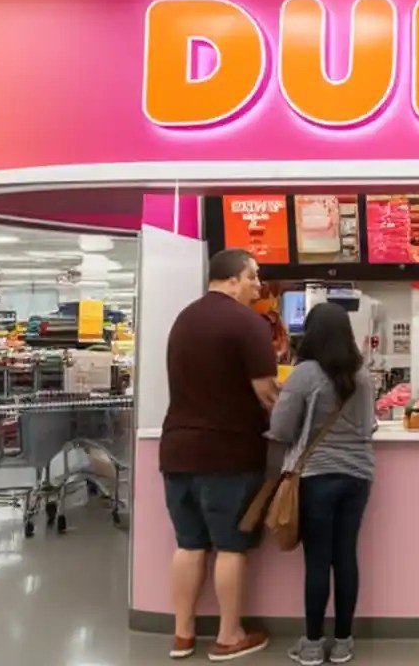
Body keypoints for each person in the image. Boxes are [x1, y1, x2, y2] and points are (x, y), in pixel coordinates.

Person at [159, 248, 279, 662]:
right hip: (228, 451)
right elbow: (266, 392)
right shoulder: (248, 323)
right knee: (230, 546)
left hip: (176, 450)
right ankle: (229, 635)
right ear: (233, 278)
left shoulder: (183, 319)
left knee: (188, 544)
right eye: (253, 277)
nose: (258, 285)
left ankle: (182, 634)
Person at [267, 302, 377, 666]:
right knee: (346, 555)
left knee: (317, 560)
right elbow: (368, 427)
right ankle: (344, 642)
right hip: (358, 475)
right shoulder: (362, 374)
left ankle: (313, 644)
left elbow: (281, 430)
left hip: (315, 475)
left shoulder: (304, 374)